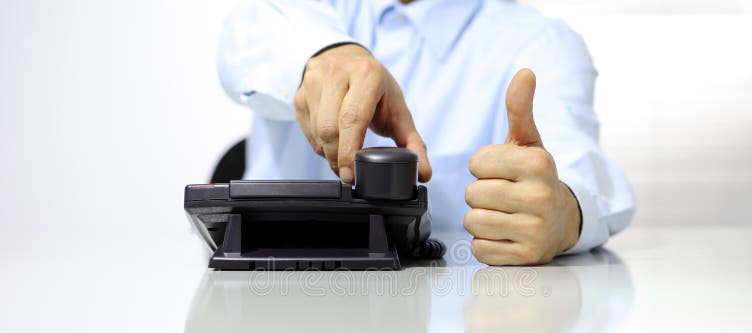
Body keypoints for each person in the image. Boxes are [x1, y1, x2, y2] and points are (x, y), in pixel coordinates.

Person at [218, 0, 635, 265]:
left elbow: (577, 170)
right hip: (279, 326)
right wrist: (322, 55)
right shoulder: (296, 11)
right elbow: (247, 33)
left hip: (455, 331)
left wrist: (563, 210)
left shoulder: (542, 45)